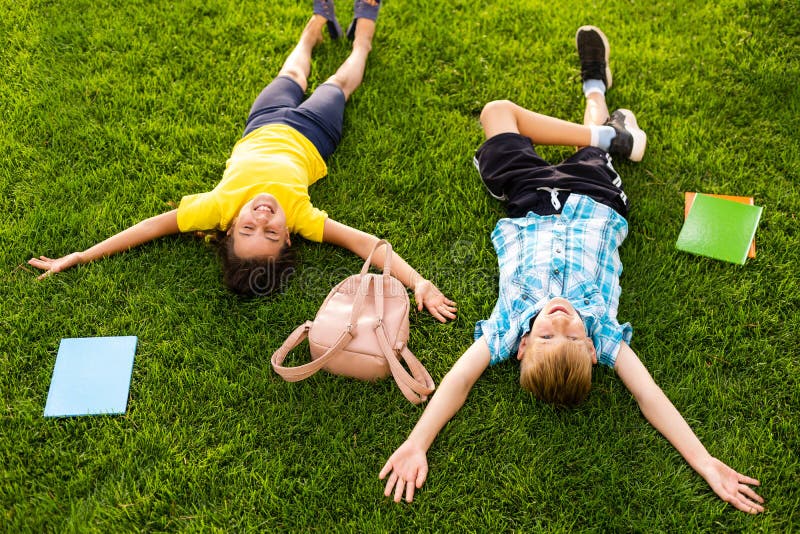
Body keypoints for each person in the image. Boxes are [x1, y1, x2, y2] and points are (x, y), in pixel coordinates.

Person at [379, 26, 765, 513]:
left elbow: (457, 381)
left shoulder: (506, 326)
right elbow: (651, 399)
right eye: (571, 336)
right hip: (595, 198)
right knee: (593, 154)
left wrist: (418, 442)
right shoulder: (604, 331)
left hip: (529, 198)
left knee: (497, 113)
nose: (560, 322)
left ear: (520, 348)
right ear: (591, 347)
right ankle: (595, 95)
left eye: (545, 338)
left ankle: (607, 135)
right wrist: (706, 462)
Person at [27, 0, 458, 321]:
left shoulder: (215, 208)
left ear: (229, 227)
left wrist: (82, 255)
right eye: (270, 233)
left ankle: (313, 30)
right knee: (340, 82)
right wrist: (416, 280)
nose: (264, 218)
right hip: (314, 131)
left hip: (262, 123)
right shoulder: (300, 216)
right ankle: (362, 40)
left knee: (290, 74)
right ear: (288, 238)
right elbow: (366, 244)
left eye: (249, 227)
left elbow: (147, 229)